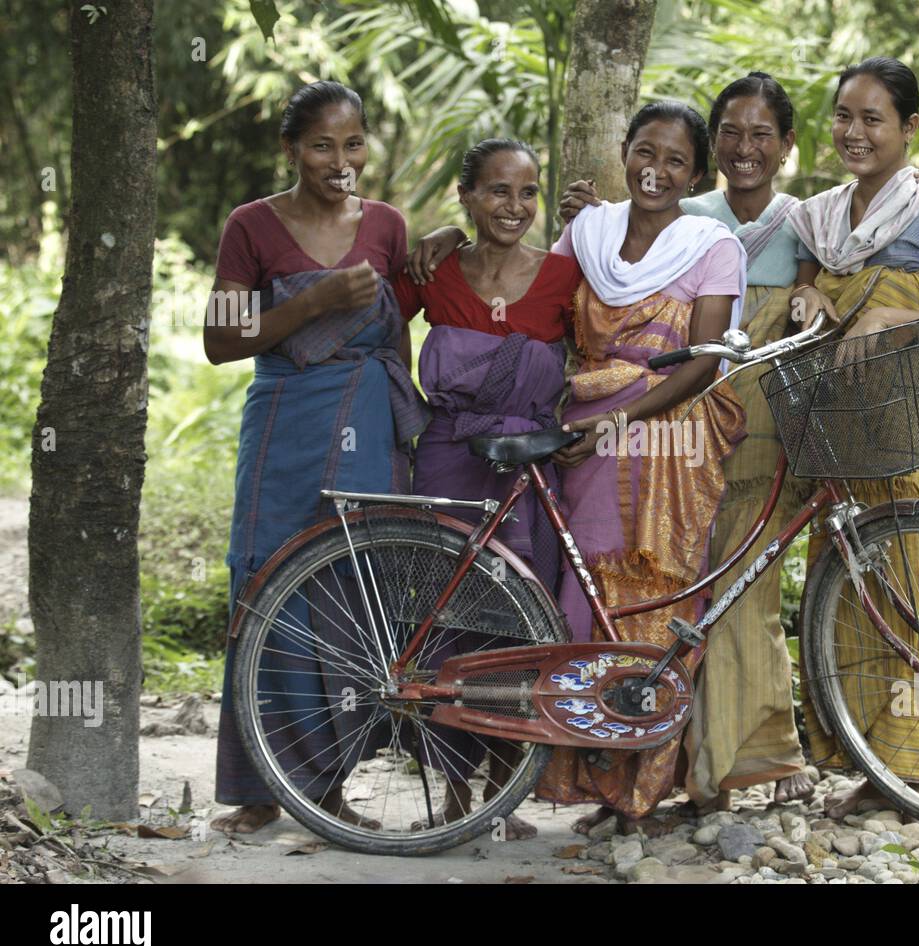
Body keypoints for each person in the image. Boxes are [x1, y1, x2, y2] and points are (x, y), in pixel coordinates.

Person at [554, 73, 919, 816]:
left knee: (748, 572)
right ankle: (659, 759)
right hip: (678, 410)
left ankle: (752, 753)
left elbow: (836, 273)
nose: (746, 149)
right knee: (683, 574)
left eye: (762, 135)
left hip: (766, 403)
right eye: (731, 134)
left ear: (788, 144)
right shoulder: (683, 213)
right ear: (709, 151)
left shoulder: (810, 221)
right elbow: (615, 252)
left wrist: (810, 294)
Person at [205, 81, 430, 835]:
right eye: (322, 145)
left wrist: (407, 432)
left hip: (368, 421)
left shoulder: (389, 227)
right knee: (268, 579)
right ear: (291, 150)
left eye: (354, 143)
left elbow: (397, 331)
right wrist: (313, 302)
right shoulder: (251, 227)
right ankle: (259, 789)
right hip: (283, 428)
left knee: (351, 590)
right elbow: (220, 341)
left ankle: (329, 788)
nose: (341, 161)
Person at [531, 101, 746, 835]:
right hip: (584, 439)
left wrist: (615, 422)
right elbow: (538, 310)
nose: (656, 169)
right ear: (623, 150)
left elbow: (705, 362)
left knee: (657, 610)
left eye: (676, 160)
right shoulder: (585, 233)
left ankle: (640, 793)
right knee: (584, 603)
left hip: (665, 445)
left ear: (696, 174)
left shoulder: (710, 245)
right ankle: (590, 779)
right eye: (644, 151)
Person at [786, 56, 919, 819]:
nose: (854, 132)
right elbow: (810, 287)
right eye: (843, 115)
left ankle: (911, 771)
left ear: (908, 128)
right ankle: (868, 762)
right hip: (842, 422)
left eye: (873, 119)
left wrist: (896, 317)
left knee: (913, 578)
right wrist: (809, 291)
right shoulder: (821, 215)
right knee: (845, 584)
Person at [392, 138, 582, 840]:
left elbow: (605, 347)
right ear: (467, 196)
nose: (515, 207)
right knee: (445, 618)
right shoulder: (435, 268)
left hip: (527, 461)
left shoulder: (565, 273)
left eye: (528, 192)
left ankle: (505, 790)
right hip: (449, 458)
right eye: (498, 191)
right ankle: (450, 792)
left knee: (518, 619)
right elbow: (377, 335)